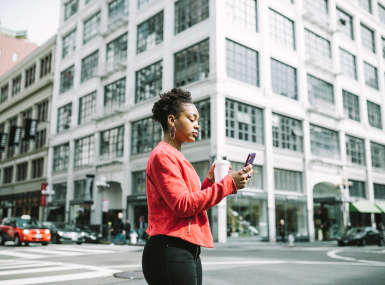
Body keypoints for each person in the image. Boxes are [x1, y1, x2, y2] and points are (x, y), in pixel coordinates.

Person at [141, 88, 254, 285]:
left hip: (185, 249)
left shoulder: (178, 157)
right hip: (170, 249)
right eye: (191, 119)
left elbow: (191, 203)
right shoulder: (162, 155)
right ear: (171, 120)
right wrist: (228, 184)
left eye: (197, 121)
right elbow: (183, 206)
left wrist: (209, 182)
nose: (197, 125)